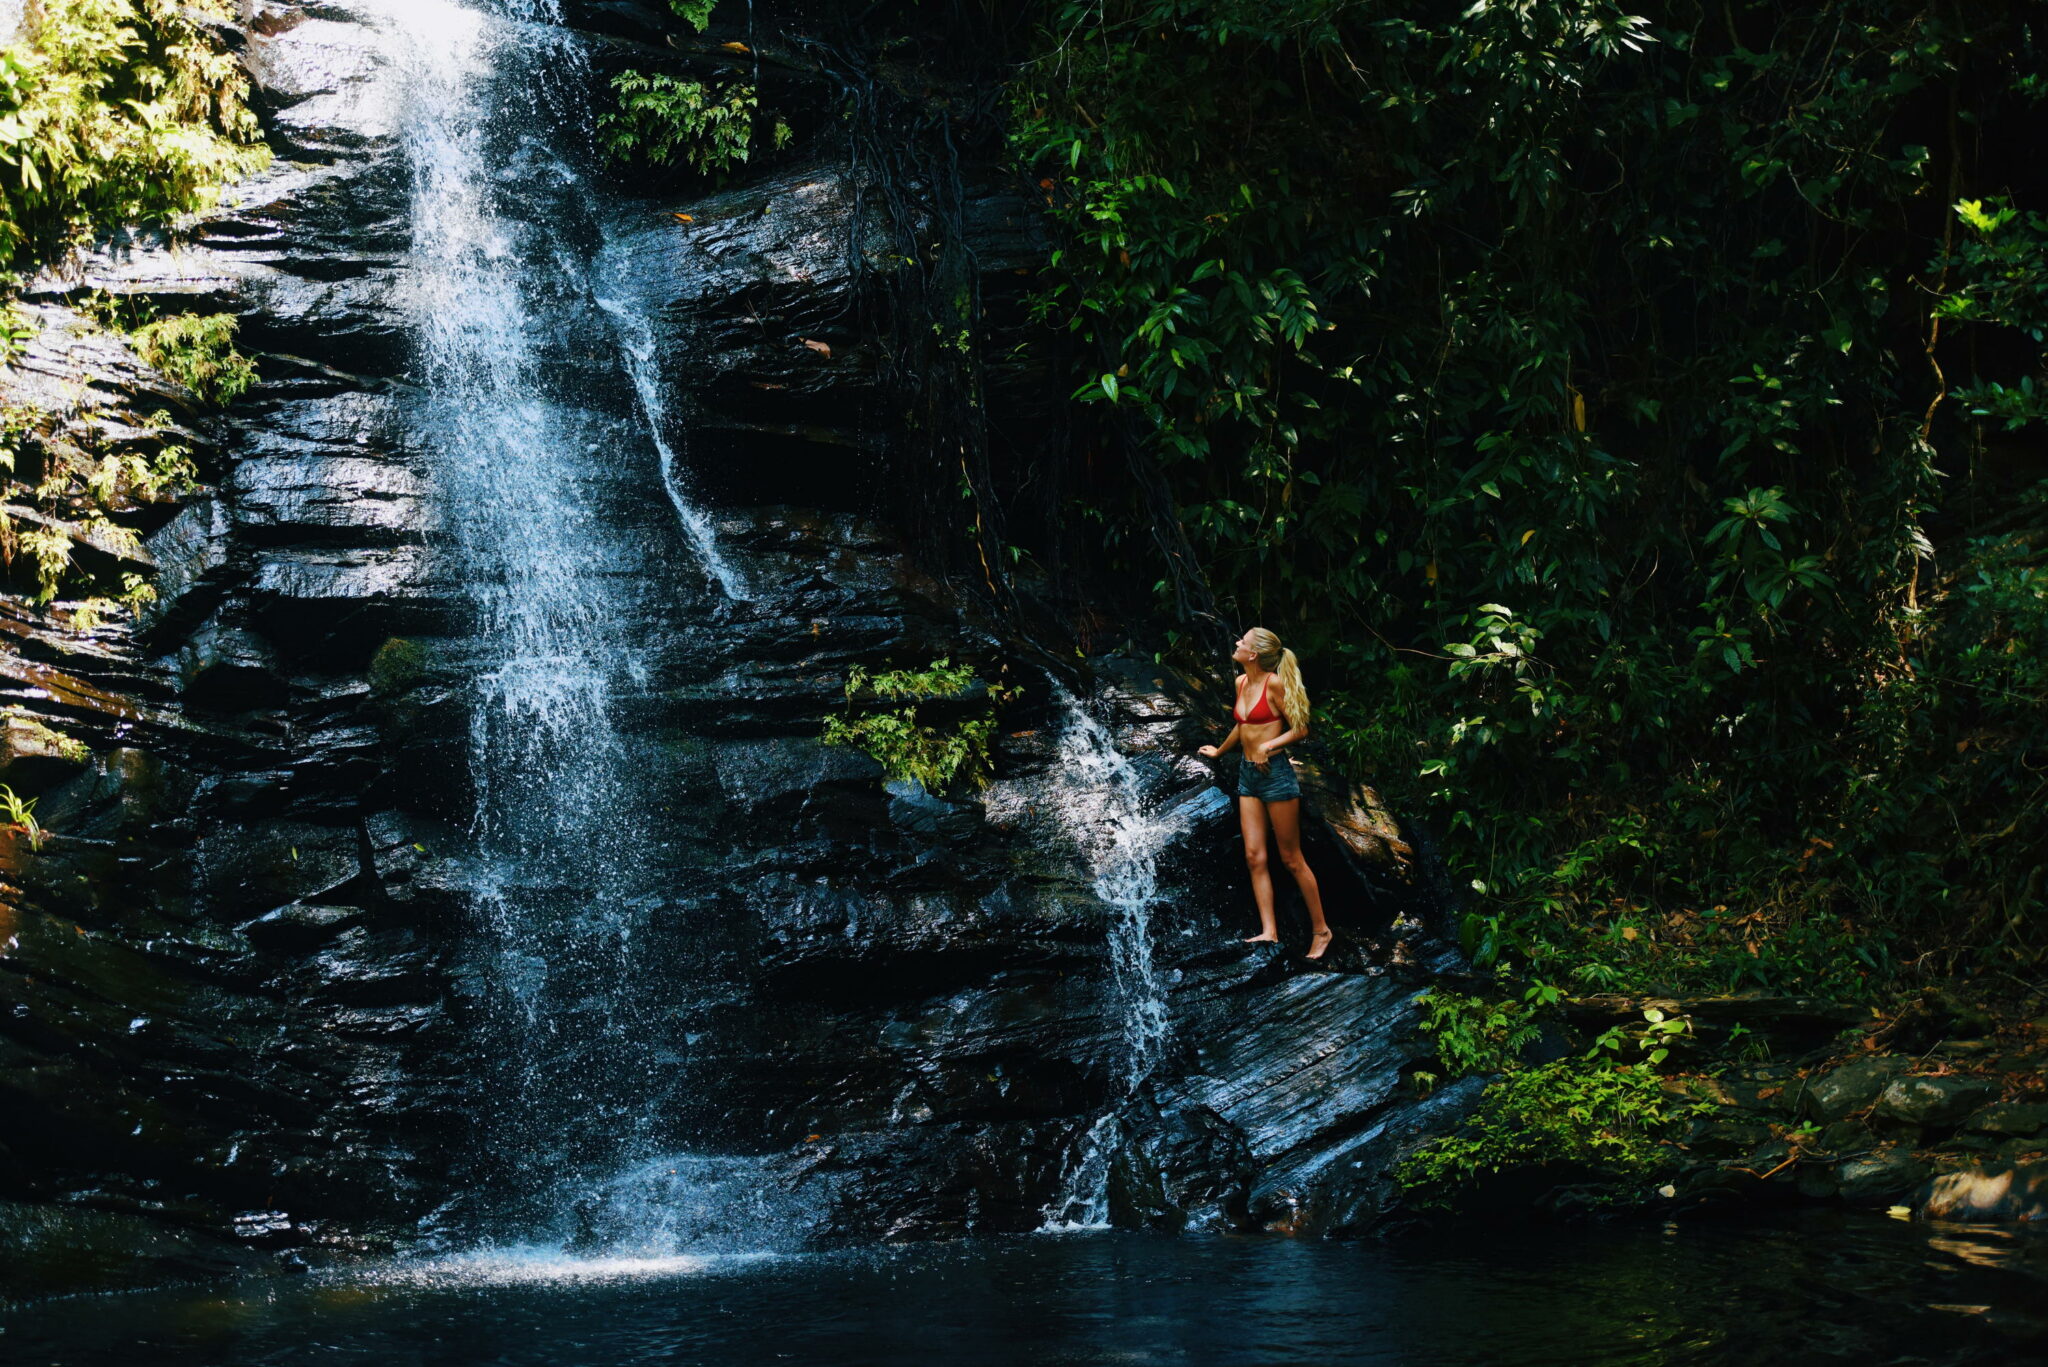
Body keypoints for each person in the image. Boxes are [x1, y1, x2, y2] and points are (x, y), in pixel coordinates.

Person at [1198, 628, 1334, 959]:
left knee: (1291, 858)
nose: (1237, 644)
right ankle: (1268, 931)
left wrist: (1269, 745)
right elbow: (1243, 725)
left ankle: (1322, 931)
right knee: (1254, 856)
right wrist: (1219, 752)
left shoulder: (1274, 683)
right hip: (1248, 776)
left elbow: (1300, 727)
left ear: (1254, 654)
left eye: (1242, 642)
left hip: (1275, 777)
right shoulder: (1241, 683)